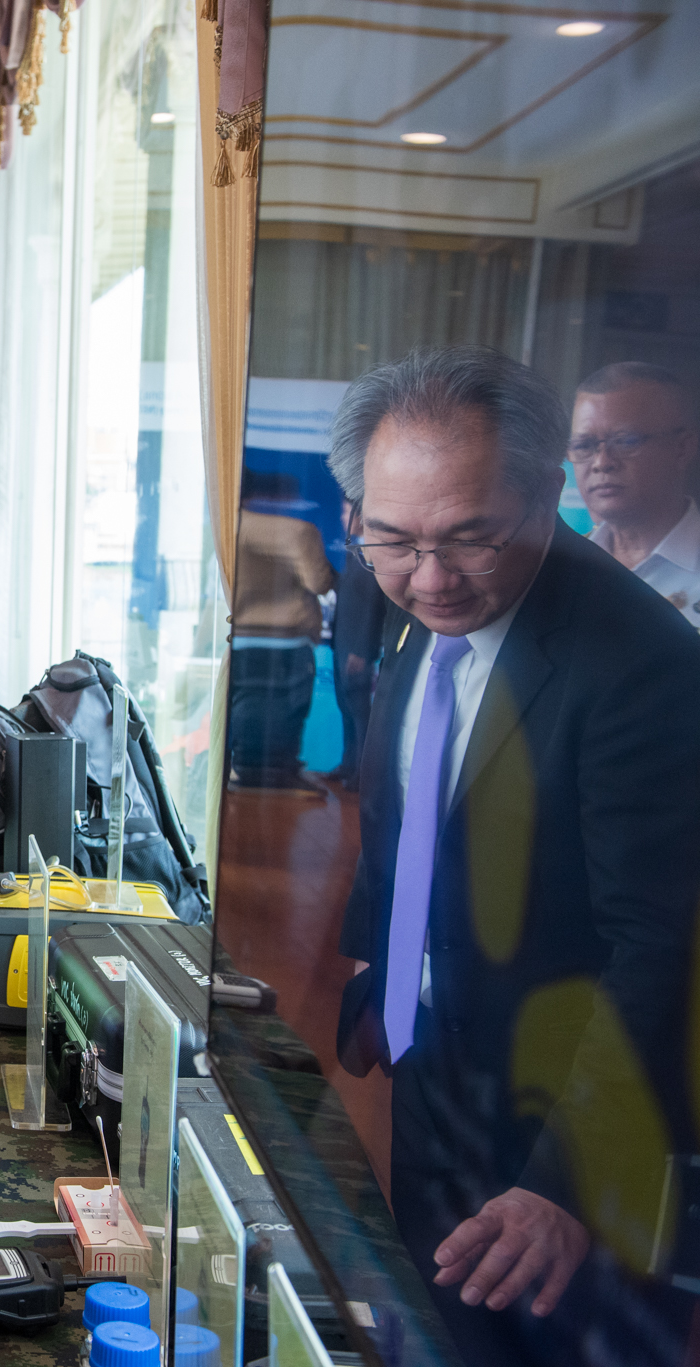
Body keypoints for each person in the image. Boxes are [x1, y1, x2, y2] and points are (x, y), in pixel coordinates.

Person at [330, 346, 700, 1367]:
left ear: (546, 493)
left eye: (469, 539)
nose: (430, 578)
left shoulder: (641, 667)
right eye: (393, 541)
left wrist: (562, 1180)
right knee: (428, 1323)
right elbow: (401, 795)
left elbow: (655, 946)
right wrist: (379, 963)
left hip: (565, 1101)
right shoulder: (417, 605)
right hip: (435, 1052)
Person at [569, 361, 700, 628]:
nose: (601, 462)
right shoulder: (558, 566)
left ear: (683, 448)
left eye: (626, 441)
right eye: (584, 445)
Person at [227, 468, 333, 792]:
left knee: (246, 707)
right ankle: (276, 777)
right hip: (285, 639)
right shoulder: (296, 530)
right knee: (285, 710)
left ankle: (244, 772)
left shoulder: (222, 528)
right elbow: (320, 581)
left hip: (238, 637)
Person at [329, 498, 386, 784]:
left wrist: (363, 652)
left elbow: (374, 609)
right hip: (341, 644)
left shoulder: (376, 556)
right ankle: (348, 765)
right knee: (346, 707)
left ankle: (363, 776)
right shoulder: (354, 552)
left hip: (357, 650)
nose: (342, 516)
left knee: (361, 713)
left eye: (346, 510)